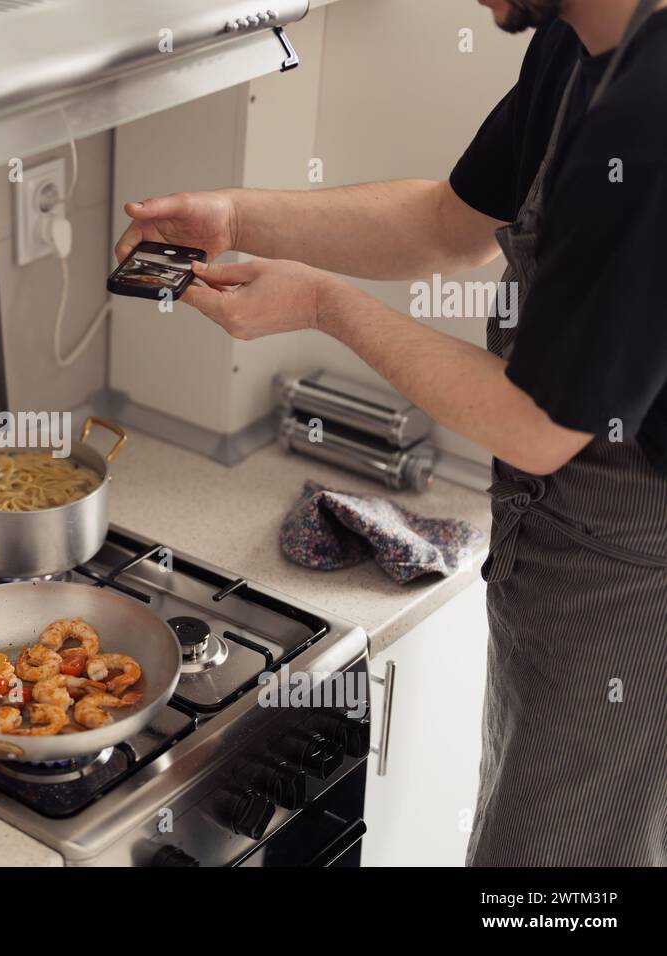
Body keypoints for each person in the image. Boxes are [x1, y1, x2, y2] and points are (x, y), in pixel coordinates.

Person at [115, 0, 667, 866]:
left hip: (639, 574)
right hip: (560, 532)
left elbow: (540, 425)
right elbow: (448, 226)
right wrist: (235, 215)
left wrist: (325, 305)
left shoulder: (651, 111)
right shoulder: (576, 42)